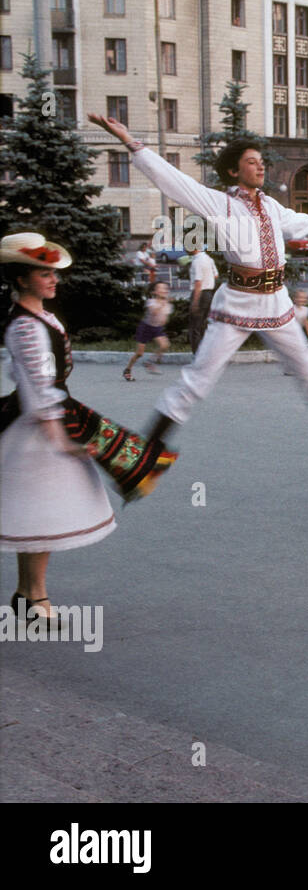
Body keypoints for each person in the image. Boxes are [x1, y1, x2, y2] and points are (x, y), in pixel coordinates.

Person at [87, 113, 308, 450]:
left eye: (261, 161)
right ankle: (149, 451)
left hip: (276, 300)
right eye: (252, 162)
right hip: (237, 302)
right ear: (234, 171)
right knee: (198, 379)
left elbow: (294, 222)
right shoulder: (221, 204)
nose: (260, 167)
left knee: (305, 364)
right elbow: (174, 181)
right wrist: (131, 142)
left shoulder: (269, 205)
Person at [1, 233, 177, 625]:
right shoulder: (27, 327)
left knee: (35, 516)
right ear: (20, 278)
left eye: (52, 271)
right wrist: (60, 438)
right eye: (42, 272)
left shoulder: (37, 318)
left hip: (46, 416)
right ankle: (35, 600)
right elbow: (38, 385)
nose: (52, 278)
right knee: (40, 515)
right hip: (40, 426)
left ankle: (28, 597)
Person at [124, 281, 172, 381]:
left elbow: (164, 321)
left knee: (165, 345)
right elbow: (154, 312)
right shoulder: (151, 302)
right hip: (146, 327)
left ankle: (150, 362)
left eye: (165, 288)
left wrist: (164, 318)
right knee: (139, 353)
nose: (163, 290)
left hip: (157, 328)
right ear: (154, 292)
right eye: (160, 288)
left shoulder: (168, 306)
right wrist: (162, 304)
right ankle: (128, 369)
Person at [187, 244, 218, 351]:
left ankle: (197, 355)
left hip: (199, 294)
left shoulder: (197, 261)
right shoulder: (209, 259)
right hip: (209, 294)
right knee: (204, 325)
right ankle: (206, 352)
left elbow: (198, 282)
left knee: (195, 327)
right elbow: (216, 275)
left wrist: (195, 302)